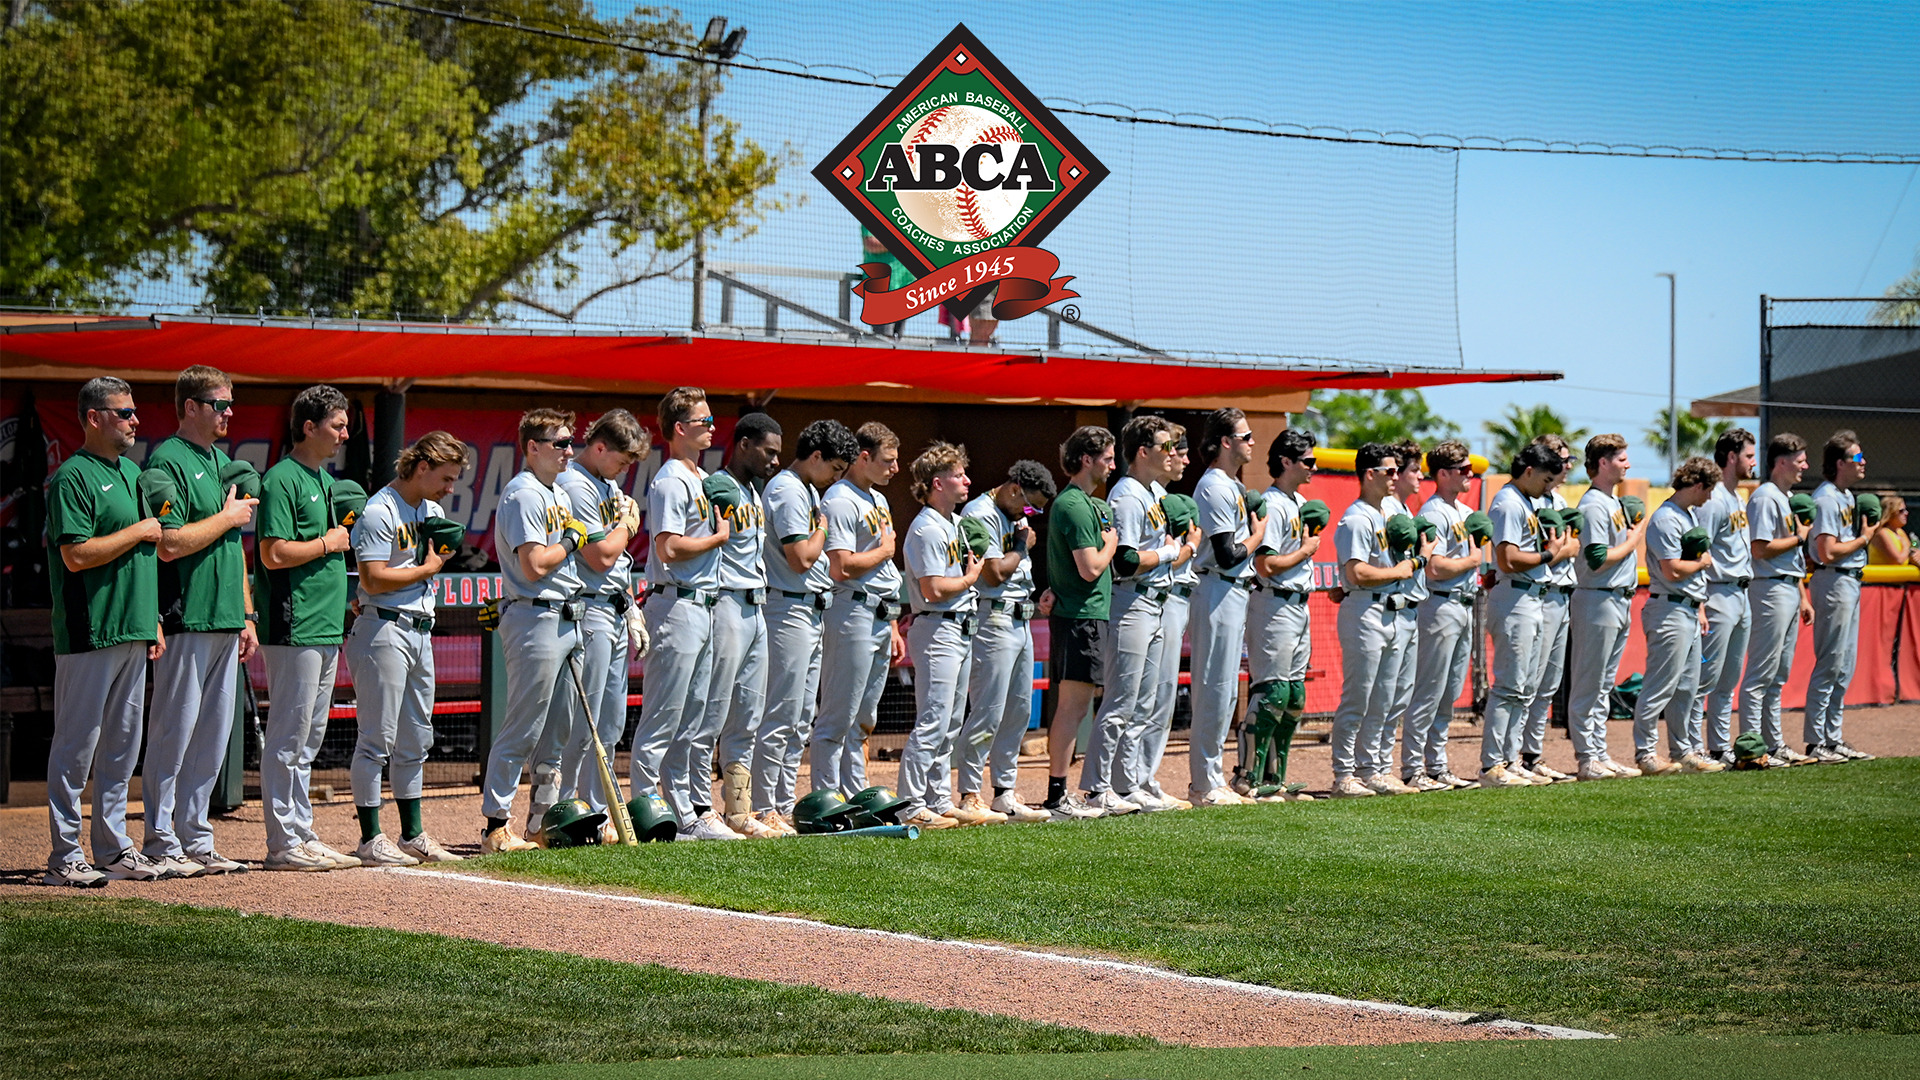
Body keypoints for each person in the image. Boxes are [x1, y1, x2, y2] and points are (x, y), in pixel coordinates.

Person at [43, 378, 166, 887]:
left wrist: (153, 617)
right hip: (90, 629)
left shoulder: (133, 473)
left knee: (120, 747)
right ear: (94, 418)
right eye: (124, 413)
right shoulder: (72, 475)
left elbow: (142, 559)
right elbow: (75, 555)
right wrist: (140, 529)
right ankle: (65, 856)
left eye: (134, 412)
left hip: (133, 628)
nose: (135, 420)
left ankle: (114, 849)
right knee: (76, 746)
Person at [142, 366, 257, 877]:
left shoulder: (219, 461)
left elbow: (234, 548)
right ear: (191, 407)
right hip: (187, 616)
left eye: (231, 404)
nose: (229, 412)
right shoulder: (168, 457)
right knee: (174, 734)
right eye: (219, 404)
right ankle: (161, 840)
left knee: (212, 738)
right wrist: (229, 518)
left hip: (226, 617)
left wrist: (248, 615)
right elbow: (169, 544)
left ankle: (196, 837)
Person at [345, 430, 470, 865]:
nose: (450, 487)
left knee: (417, 738)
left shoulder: (429, 509)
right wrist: (430, 567)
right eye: (446, 477)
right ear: (421, 468)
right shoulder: (380, 509)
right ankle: (370, 838)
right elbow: (372, 578)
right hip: (383, 629)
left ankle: (412, 834)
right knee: (376, 740)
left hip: (420, 629)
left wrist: (435, 560)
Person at [258, 385, 360, 870]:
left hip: (324, 625)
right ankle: (282, 844)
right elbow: (273, 553)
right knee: (288, 737)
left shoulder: (320, 477)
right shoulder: (282, 478)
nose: (344, 433)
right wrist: (328, 543)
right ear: (308, 426)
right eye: (337, 425)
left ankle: (301, 832)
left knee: (309, 737)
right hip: (293, 622)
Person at [484, 408, 589, 852]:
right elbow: (532, 567)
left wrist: (570, 538)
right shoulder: (523, 493)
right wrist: (570, 540)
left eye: (570, 442)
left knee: (559, 731)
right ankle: (494, 826)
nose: (569, 450)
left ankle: (540, 824)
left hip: (567, 614)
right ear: (532, 447)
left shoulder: (557, 493)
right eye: (559, 443)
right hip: (536, 614)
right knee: (523, 727)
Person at [637, 388, 740, 840]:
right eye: (703, 420)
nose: (712, 426)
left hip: (704, 604)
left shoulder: (701, 477)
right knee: (664, 715)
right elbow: (669, 547)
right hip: (675, 602)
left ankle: (685, 814)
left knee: (693, 715)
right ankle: (647, 812)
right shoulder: (670, 480)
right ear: (680, 429)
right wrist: (719, 538)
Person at [1085, 416, 1194, 814]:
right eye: (1165, 447)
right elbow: (1126, 561)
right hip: (1131, 600)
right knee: (1121, 700)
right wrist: (1171, 552)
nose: (1172, 453)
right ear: (1143, 452)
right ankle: (1100, 787)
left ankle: (1128, 784)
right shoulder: (1128, 494)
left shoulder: (1149, 493)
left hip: (1156, 600)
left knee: (1144, 702)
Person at [757, 420, 857, 827]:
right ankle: (765, 804)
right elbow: (801, 556)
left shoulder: (808, 490)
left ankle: (783, 802)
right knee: (780, 713)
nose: (836, 477)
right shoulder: (786, 488)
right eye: (834, 467)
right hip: (787, 607)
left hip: (809, 609)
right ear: (815, 456)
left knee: (799, 717)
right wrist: (820, 529)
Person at [553, 410, 645, 828]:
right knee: (581, 719)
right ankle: (568, 809)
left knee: (610, 721)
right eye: (622, 459)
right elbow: (600, 554)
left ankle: (596, 810)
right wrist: (627, 524)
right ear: (600, 447)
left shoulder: (606, 483)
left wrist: (629, 603)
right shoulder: (575, 482)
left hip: (612, 604)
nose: (625, 469)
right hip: (587, 607)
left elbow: (615, 560)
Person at [1330, 442, 1431, 797]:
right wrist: (1404, 568)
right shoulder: (1356, 517)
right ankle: (1344, 774)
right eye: (1389, 471)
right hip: (1367, 610)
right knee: (1359, 696)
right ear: (1369, 474)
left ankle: (1374, 769)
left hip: (1395, 609)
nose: (1395, 476)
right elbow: (1355, 572)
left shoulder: (1388, 514)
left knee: (1388, 698)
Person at [958, 460, 1055, 824]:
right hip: (991, 616)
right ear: (1015, 488)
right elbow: (995, 573)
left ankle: (1003, 792)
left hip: (1019, 616)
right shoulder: (980, 512)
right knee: (988, 710)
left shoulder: (1011, 515)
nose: (1032, 513)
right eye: (1030, 504)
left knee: (1018, 711)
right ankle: (970, 793)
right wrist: (1021, 544)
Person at [898, 442, 986, 829]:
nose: (966, 480)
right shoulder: (926, 527)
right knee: (933, 719)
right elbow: (933, 588)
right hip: (936, 625)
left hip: (958, 626)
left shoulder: (952, 523)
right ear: (937, 483)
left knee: (950, 721)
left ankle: (936, 797)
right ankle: (911, 801)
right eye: (957, 475)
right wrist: (969, 578)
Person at [815, 422, 905, 796]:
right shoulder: (839, 498)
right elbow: (841, 566)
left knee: (864, 718)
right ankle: (826, 796)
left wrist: (896, 625)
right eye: (888, 460)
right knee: (838, 715)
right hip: (850, 610)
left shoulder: (878, 500)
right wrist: (885, 551)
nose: (895, 468)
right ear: (863, 457)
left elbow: (882, 571)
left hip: (881, 614)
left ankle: (854, 794)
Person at [706, 413, 785, 838]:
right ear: (743, 444)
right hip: (727, 604)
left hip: (756, 606)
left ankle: (739, 809)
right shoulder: (720, 486)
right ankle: (700, 809)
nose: (774, 460)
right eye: (768, 451)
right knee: (714, 711)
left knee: (749, 714)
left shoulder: (752, 493)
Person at [1479, 443, 1572, 789]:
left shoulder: (1527, 500)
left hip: (1532, 598)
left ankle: (1510, 759)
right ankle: (1492, 765)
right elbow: (1507, 559)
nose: (1549, 487)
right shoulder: (1508, 502)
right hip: (1514, 596)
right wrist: (1550, 554)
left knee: (1525, 688)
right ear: (1528, 471)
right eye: (1546, 479)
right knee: (1508, 686)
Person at [1187, 409, 1267, 806]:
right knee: (1213, 687)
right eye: (1245, 435)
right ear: (1225, 442)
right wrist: (1258, 537)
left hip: (1232, 591)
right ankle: (1204, 782)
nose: (1252, 441)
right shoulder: (1215, 486)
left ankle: (1212, 776)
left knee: (1224, 688)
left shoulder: (1232, 485)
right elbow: (1227, 553)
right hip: (1216, 586)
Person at [1043, 425, 1119, 821]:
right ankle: (1057, 795)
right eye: (1107, 457)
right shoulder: (1072, 504)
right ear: (1086, 459)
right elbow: (1090, 568)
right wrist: (1111, 542)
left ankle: (1060, 793)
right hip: (1080, 618)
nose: (1112, 464)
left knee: (1077, 706)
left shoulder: (1088, 504)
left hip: (1087, 616)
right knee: (1072, 707)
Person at [1399, 439, 1484, 790]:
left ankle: (1437, 764)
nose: (1470, 475)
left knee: (1449, 691)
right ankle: (1413, 767)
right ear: (1444, 474)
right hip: (1440, 603)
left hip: (1463, 604)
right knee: (1430, 689)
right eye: (1463, 470)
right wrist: (1472, 561)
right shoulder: (1433, 512)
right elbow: (1434, 567)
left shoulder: (1463, 513)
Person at [1634, 456, 1725, 776]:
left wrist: (1699, 607)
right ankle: (1645, 753)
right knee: (1660, 685)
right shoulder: (1667, 518)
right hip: (1667, 607)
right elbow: (1673, 570)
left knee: (1687, 685)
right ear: (1697, 485)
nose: (1710, 497)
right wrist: (1703, 563)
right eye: (1709, 490)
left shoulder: (1686, 515)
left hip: (1686, 607)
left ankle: (1682, 750)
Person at [1566, 434, 1650, 780]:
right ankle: (1587, 758)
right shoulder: (1594, 504)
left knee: (1603, 684)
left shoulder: (1612, 502)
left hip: (1616, 597)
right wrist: (1633, 539)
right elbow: (1597, 559)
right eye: (1620, 458)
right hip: (1597, 596)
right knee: (1589, 682)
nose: (1627, 463)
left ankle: (1599, 753)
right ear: (1602, 463)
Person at [1244, 428, 1320, 799]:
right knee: (1271, 691)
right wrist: (1306, 550)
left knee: (1293, 695)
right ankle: (1248, 775)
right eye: (1308, 460)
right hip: (1274, 602)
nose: (1314, 467)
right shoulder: (1272, 503)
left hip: (1298, 604)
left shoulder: (1296, 502)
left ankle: (1275, 777)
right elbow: (1266, 564)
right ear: (1286, 461)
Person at [1738, 433, 1816, 766]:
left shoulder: (1787, 497)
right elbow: (1759, 548)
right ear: (1781, 462)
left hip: (1787, 586)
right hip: (1768, 587)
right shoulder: (1766, 497)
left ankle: (1774, 744)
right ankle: (1753, 747)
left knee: (1778, 674)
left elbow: (1790, 555)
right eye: (1799, 460)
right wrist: (1799, 537)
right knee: (1761, 673)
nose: (1805, 466)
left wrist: (1803, 595)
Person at [1804, 430, 1880, 762]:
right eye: (1857, 458)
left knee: (1844, 665)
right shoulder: (1826, 498)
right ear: (1840, 463)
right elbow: (1827, 550)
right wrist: (1864, 539)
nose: (1863, 464)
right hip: (1833, 581)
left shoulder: (1846, 496)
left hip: (1848, 581)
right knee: (1831, 663)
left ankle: (1832, 737)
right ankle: (1815, 740)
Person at [1137, 427, 1197, 812]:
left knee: (1162, 698)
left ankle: (1145, 777)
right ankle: (1134, 779)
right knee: (1149, 696)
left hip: (1171, 596)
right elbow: (1166, 556)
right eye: (1175, 450)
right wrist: (1192, 545)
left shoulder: (1162, 496)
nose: (1182, 458)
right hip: (1157, 596)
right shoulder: (1141, 494)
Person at [1516, 435, 1576, 784]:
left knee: (1548, 684)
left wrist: (1564, 548)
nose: (1565, 466)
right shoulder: (1529, 499)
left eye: (1567, 460)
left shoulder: (1559, 498)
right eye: (1559, 459)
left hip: (1560, 591)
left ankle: (1532, 755)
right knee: (1528, 680)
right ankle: (1515, 756)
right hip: (1539, 590)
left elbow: (1574, 544)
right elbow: (1559, 548)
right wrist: (1561, 549)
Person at [1698, 428, 1756, 766]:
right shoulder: (1715, 498)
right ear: (1731, 457)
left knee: (1728, 679)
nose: (1753, 462)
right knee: (1706, 678)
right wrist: (1702, 603)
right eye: (1748, 455)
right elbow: (1699, 552)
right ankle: (1693, 748)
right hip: (1717, 592)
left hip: (1741, 593)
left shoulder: (1738, 497)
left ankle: (1719, 747)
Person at [1371, 439, 1427, 783]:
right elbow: (1402, 564)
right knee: (1382, 696)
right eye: (1413, 470)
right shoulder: (1389, 510)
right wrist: (1424, 554)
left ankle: (1383, 767)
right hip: (1388, 607)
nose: (1419, 476)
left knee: (1398, 696)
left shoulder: (1404, 511)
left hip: (1407, 608)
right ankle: (1373, 768)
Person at [1867, 495, 1917, 567]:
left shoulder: (1900, 532)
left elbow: (1910, 555)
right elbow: (1898, 561)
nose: (1906, 513)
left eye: (1905, 510)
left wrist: (1915, 551)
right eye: (1901, 511)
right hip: (1882, 577)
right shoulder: (1882, 533)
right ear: (1890, 512)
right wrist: (1906, 547)